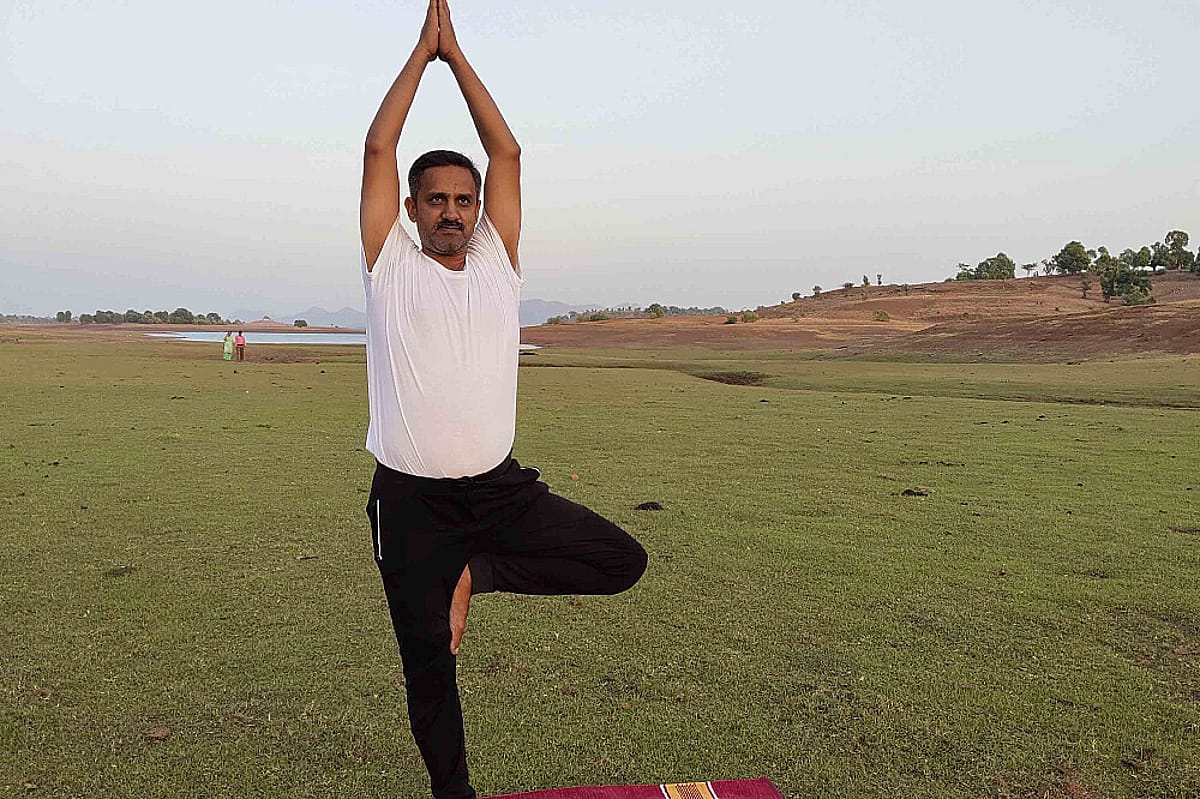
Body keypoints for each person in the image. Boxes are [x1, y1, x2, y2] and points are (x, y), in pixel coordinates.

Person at [358, 3, 647, 798]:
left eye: (464, 199)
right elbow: (379, 146)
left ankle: (472, 574)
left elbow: (507, 149)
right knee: (429, 671)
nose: (451, 211)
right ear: (413, 210)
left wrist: (461, 58)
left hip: (499, 492)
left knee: (622, 560)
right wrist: (423, 57)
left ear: (479, 210)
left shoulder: (498, 263)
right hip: (410, 504)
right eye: (436, 200)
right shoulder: (390, 265)